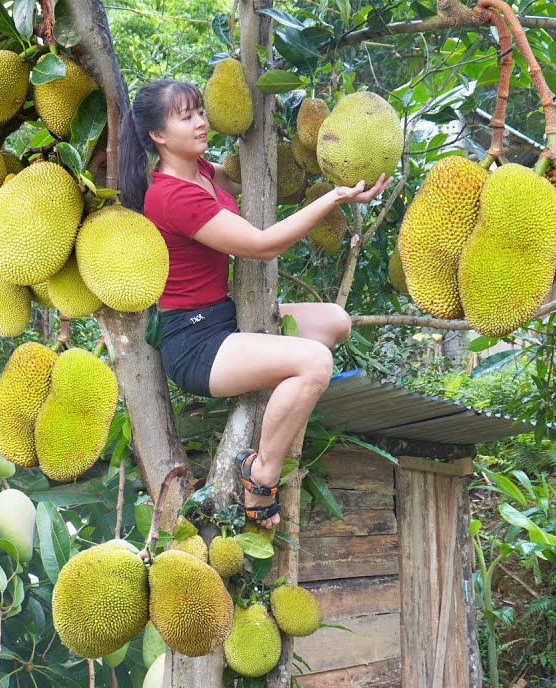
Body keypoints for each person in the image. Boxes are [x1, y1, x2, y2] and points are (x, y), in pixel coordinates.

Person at [118, 79, 391, 528]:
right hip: (195, 343)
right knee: (315, 363)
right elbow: (262, 245)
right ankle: (259, 474)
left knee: (336, 321)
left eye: (201, 111)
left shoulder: (202, 172)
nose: (202, 121)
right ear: (158, 136)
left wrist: (321, 156)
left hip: (225, 317)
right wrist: (334, 198)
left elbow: (249, 179)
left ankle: (279, 387)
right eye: (185, 117)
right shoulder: (170, 196)